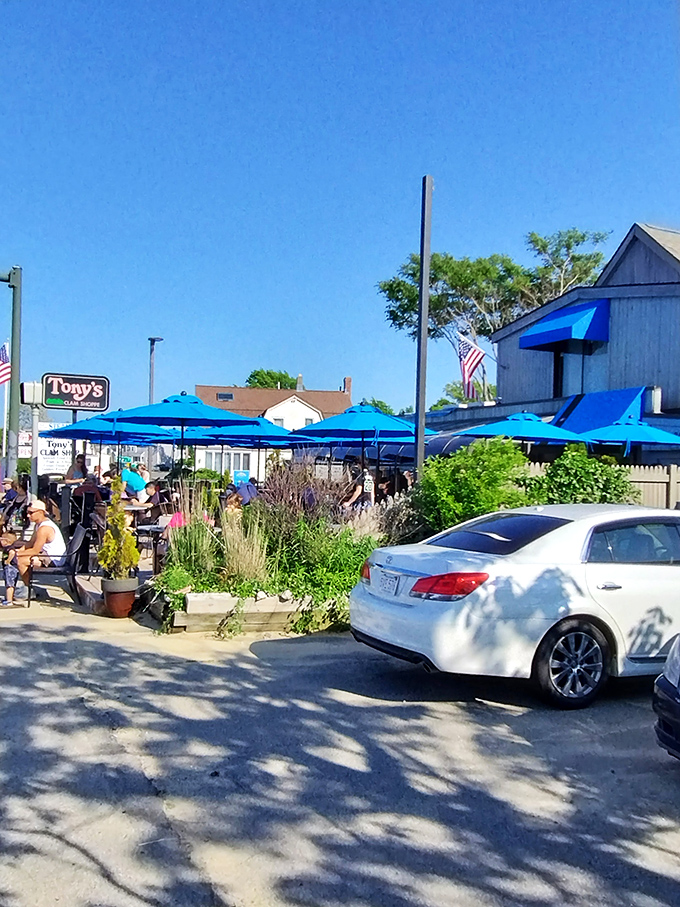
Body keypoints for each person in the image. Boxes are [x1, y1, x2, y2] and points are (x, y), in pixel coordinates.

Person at [2, 500, 66, 607]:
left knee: (21, 561)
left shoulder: (44, 528)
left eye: (31, 512)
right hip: (45, 553)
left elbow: (35, 550)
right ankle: (25, 587)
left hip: (53, 558)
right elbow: (30, 543)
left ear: (41, 512)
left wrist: (17, 555)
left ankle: (29, 589)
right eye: (27, 512)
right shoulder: (39, 524)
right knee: (18, 556)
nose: (28, 515)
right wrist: (19, 550)